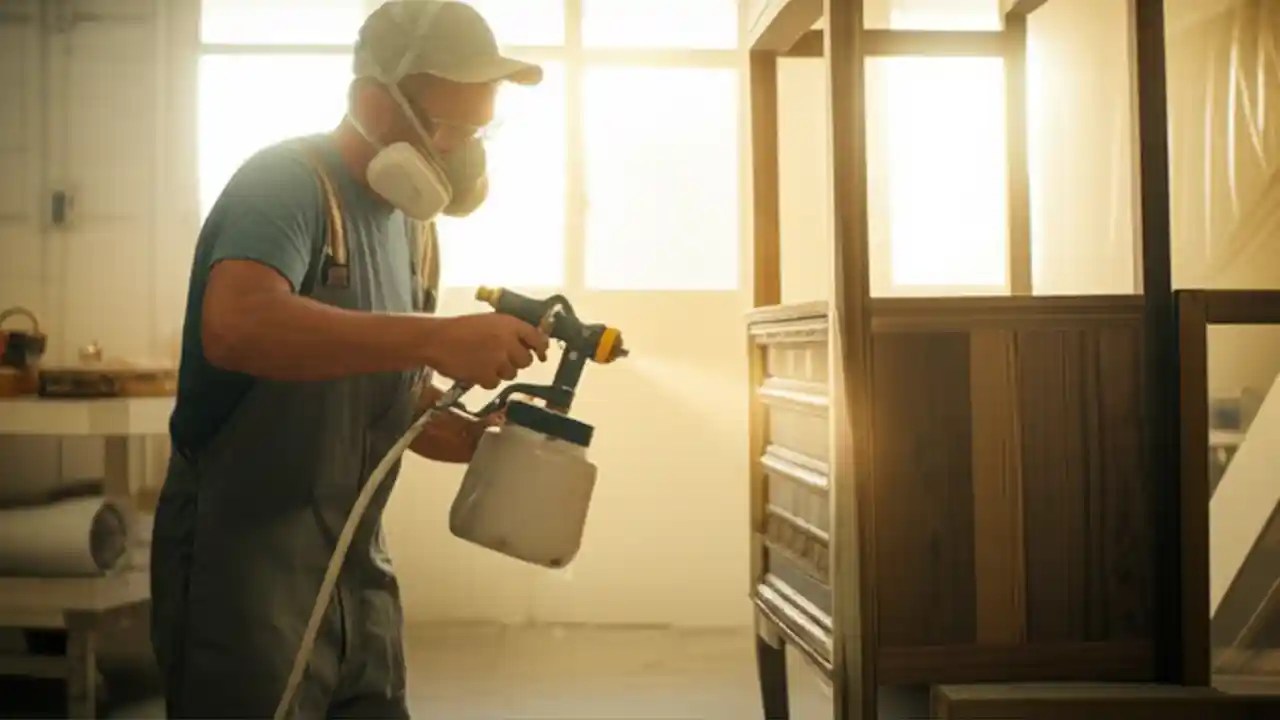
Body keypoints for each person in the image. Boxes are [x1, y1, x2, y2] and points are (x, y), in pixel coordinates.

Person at [150, 2, 549, 717]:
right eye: (451, 130)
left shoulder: (413, 230)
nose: (462, 158)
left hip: (359, 570)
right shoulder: (287, 184)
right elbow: (237, 326)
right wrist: (435, 337)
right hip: (244, 574)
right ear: (372, 104)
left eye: (477, 134)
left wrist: (455, 431)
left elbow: (380, 384)